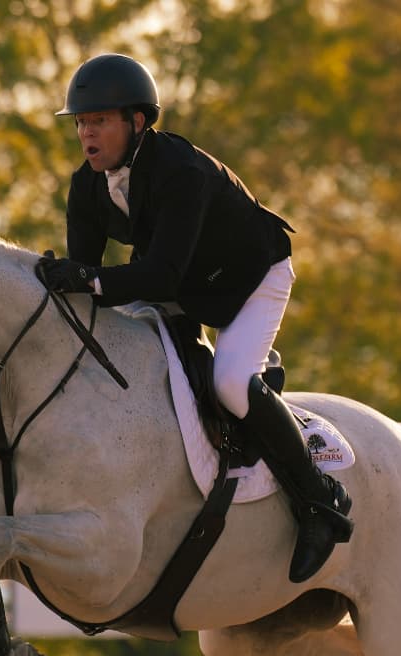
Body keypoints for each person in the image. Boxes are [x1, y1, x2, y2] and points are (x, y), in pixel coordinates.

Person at [40, 53, 352, 582]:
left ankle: (321, 503)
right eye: (81, 123)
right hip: (181, 280)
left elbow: (152, 276)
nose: (86, 133)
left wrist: (87, 279)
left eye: (99, 121)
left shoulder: (180, 171)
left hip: (250, 275)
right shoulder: (86, 185)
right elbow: (89, 285)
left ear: (138, 122)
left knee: (230, 383)